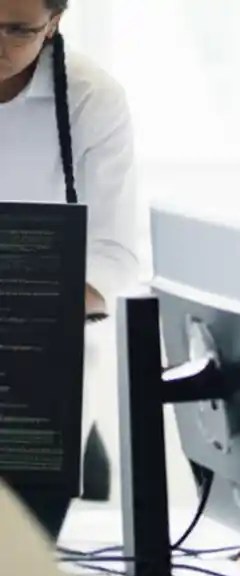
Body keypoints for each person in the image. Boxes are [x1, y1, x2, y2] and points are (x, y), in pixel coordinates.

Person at [0, 0, 141, 516]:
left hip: (40, 367)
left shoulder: (92, 98)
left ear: (54, 24)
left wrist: (29, 314)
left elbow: (116, 256)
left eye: (17, 31)